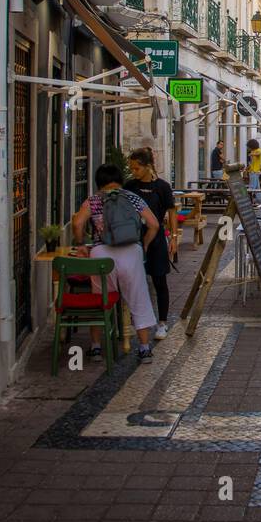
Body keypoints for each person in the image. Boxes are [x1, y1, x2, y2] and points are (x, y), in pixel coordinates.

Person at [71, 164, 161, 363]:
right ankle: (144, 348)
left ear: (99, 181)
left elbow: (77, 223)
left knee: (100, 299)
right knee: (138, 298)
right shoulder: (132, 197)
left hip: (101, 254)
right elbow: (154, 224)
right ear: (120, 180)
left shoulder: (94, 200)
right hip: (131, 252)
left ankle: (95, 347)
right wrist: (144, 245)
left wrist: (81, 245)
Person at [124, 147, 179, 340]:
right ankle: (134, 321)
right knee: (133, 283)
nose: (134, 172)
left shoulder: (162, 187)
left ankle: (162, 322)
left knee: (159, 281)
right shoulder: (129, 186)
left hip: (156, 241)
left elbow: (172, 212)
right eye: (131, 168)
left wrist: (174, 238)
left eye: (137, 168)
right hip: (133, 240)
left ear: (148, 167)